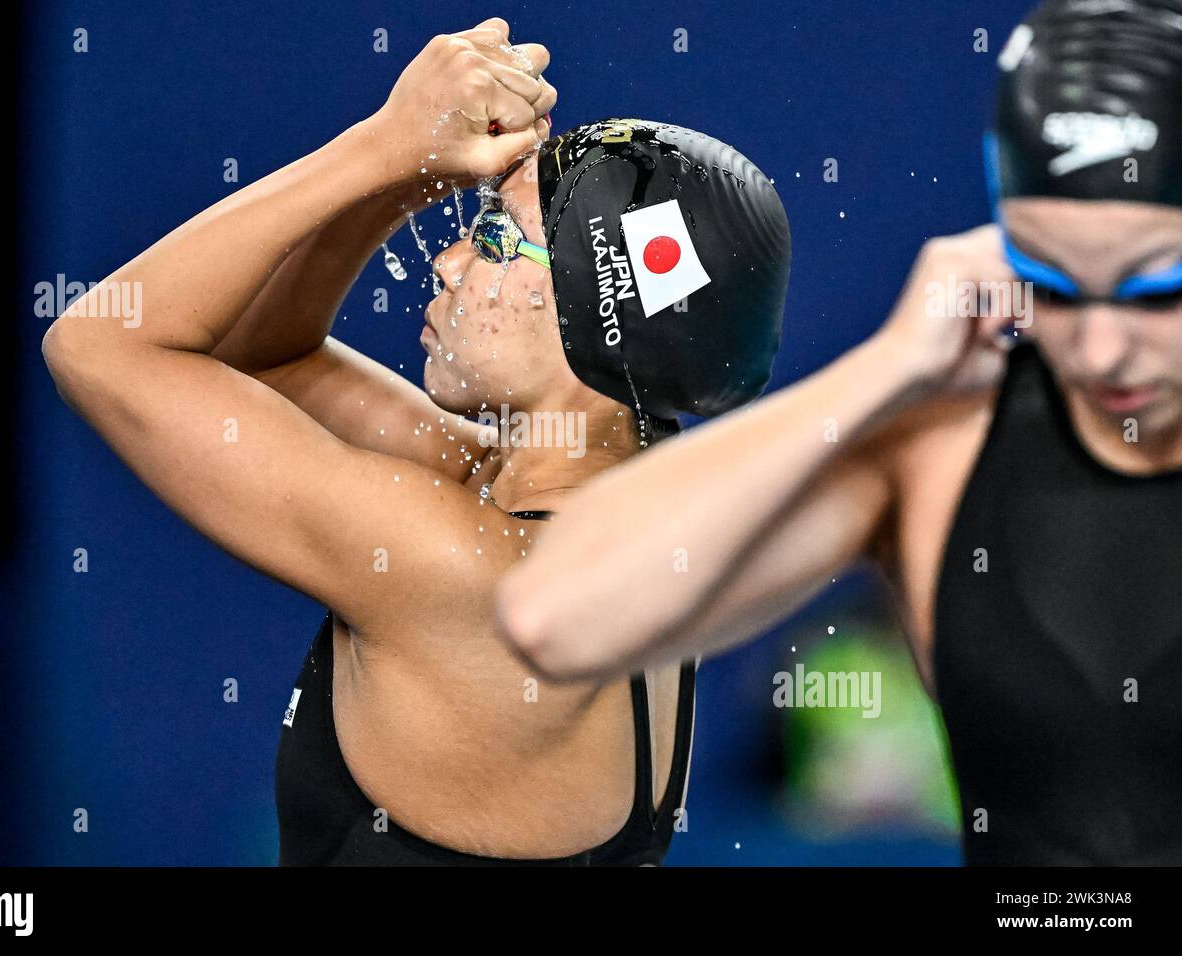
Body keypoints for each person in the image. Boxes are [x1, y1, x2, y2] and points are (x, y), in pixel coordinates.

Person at [42, 18, 790, 865]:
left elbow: (98, 344)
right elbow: (269, 360)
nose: (448, 261)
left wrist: (381, 147)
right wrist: (423, 164)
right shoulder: (571, 509)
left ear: (595, 318)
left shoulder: (468, 569)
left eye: (500, 240)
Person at [499, 0, 1182, 865]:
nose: (1100, 349)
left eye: (1157, 294)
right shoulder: (945, 445)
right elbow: (554, 616)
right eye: (1051, 282)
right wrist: (889, 367)